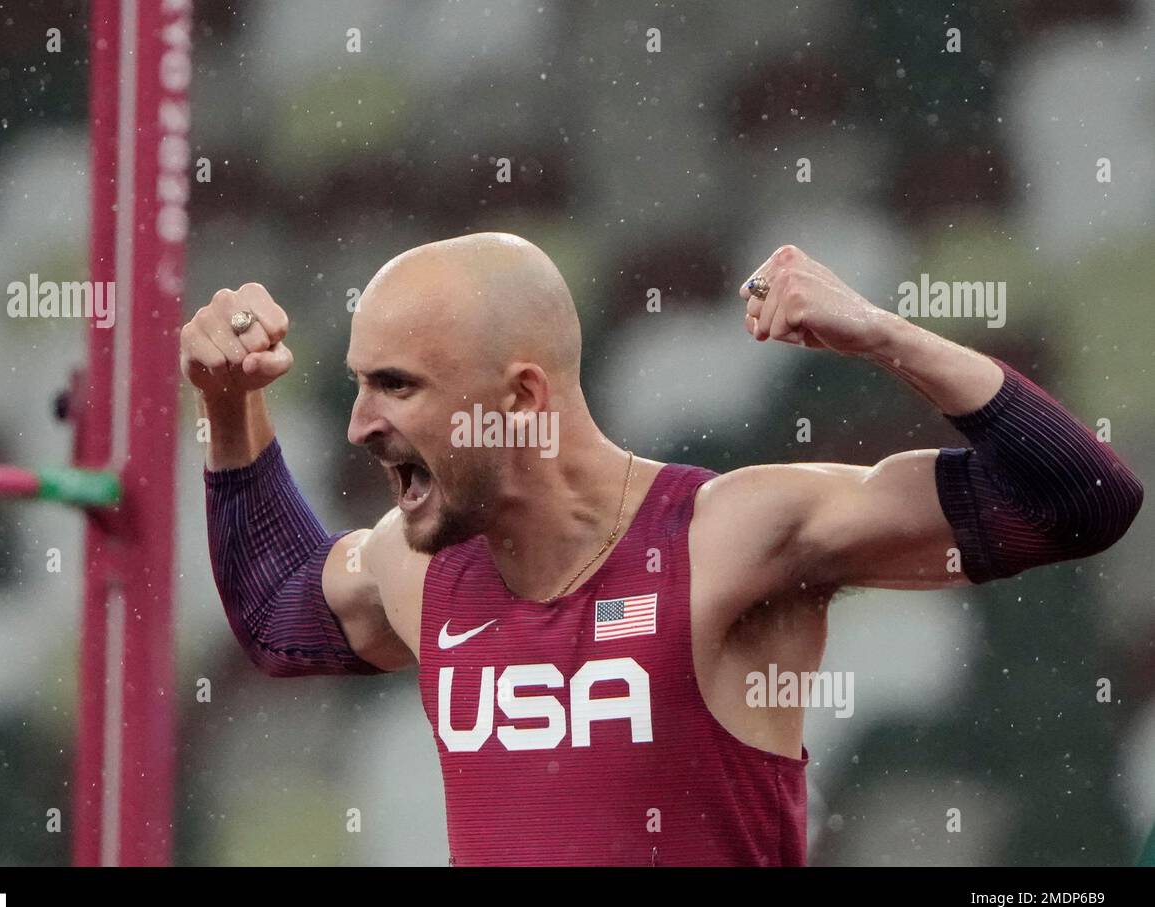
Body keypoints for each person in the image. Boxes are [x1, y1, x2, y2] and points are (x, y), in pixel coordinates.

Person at [182, 234, 1143, 865]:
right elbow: (277, 615)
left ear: (520, 400)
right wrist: (231, 407)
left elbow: (1085, 501)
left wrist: (883, 335)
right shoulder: (416, 567)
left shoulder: (737, 537)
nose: (356, 426)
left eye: (394, 386)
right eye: (357, 385)